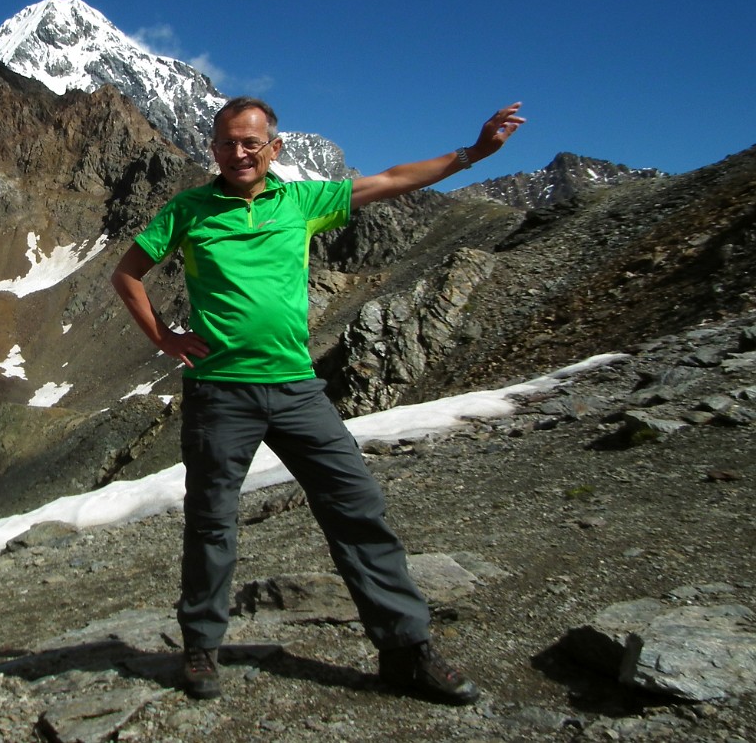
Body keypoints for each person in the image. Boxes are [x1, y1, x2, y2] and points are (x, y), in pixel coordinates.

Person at [111, 97, 525, 705]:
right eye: (228, 142)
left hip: (297, 388)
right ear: (214, 149)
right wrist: (164, 338)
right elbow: (127, 273)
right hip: (219, 391)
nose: (240, 152)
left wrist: (472, 154)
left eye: (251, 142)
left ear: (274, 149)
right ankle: (201, 647)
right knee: (210, 521)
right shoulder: (188, 210)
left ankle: (406, 651)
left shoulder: (301, 202)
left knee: (356, 503)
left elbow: (387, 181)